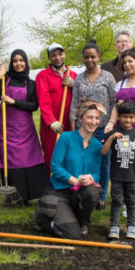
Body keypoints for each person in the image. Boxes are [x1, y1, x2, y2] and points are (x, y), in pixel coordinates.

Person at [33, 103, 103, 239]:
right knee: (73, 235)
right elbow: (55, 166)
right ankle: (43, 218)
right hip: (59, 193)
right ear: (81, 119)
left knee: (93, 191)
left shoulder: (97, 145)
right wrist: (74, 180)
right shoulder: (66, 138)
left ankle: (83, 222)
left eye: (97, 118)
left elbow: (97, 173)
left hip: (79, 193)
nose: (93, 122)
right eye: (89, 117)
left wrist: (90, 178)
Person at [0, 50, 49, 202]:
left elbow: (34, 106)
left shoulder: (31, 84)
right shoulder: (5, 79)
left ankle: (31, 194)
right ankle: (14, 196)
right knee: (11, 159)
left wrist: (13, 102)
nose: (18, 63)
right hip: (6, 127)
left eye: (21, 60)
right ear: (11, 63)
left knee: (30, 158)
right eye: (15, 61)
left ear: (26, 62)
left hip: (25, 129)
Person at [103, 47, 135, 221]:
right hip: (121, 131)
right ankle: (125, 202)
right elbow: (116, 108)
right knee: (123, 164)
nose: (127, 65)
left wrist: (128, 108)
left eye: (131, 61)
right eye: (125, 62)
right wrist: (111, 123)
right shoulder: (120, 85)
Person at [69, 40, 116, 201]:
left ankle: (101, 196)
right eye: (86, 57)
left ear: (98, 57)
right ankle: (84, 193)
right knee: (84, 161)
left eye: (93, 57)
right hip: (84, 129)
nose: (89, 60)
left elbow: (114, 101)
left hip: (103, 127)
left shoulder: (108, 77)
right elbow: (74, 104)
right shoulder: (79, 79)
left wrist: (111, 123)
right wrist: (73, 126)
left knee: (103, 162)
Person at [102, 101, 135, 240]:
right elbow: (104, 152)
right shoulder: (114, 133)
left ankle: (131, 226)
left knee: (131, 202)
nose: (128, 120)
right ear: (119, 117)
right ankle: (114, 226)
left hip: (132, 176)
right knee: (116, 201)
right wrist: (111, 138)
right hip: (116, 176)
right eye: (125, 116)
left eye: (131, 117)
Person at [35, 43, 77, 174]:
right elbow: (44, 101)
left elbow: (83, 97)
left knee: (70, 155)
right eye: (53, 55)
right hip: (52, 126)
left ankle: (69, 187)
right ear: (49, 58)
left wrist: (75, 85)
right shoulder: (43, 75)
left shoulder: (74, 75)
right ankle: (53, 187)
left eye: (60, 54)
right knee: (52, 155)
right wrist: (51, 121)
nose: (57, 57)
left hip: (71, 123)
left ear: (64, 55)